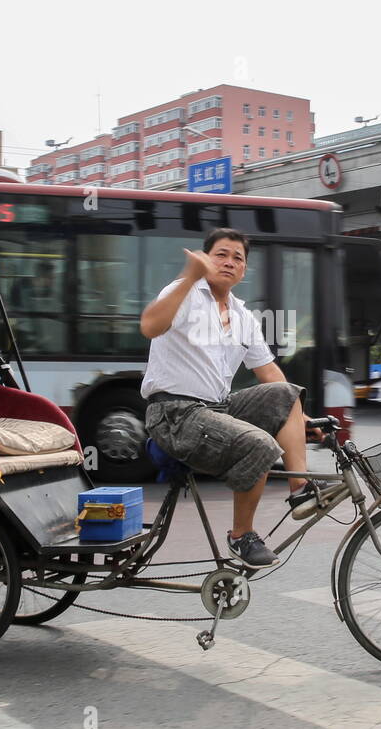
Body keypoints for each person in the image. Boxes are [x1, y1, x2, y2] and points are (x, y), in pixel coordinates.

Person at [139, 228, 329, 569]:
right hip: (174, 413)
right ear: (205, 259)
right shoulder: (184, 293)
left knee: (287, 392)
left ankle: (300, 489)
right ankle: (242, 536)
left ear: (244, 270)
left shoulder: (242, 315)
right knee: (259, 444)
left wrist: (302, 420)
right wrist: (188, 275)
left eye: (237, 258)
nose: (229, 262)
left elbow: (268, 371)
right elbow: (150, 326)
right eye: (221, 255)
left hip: (214, 408)